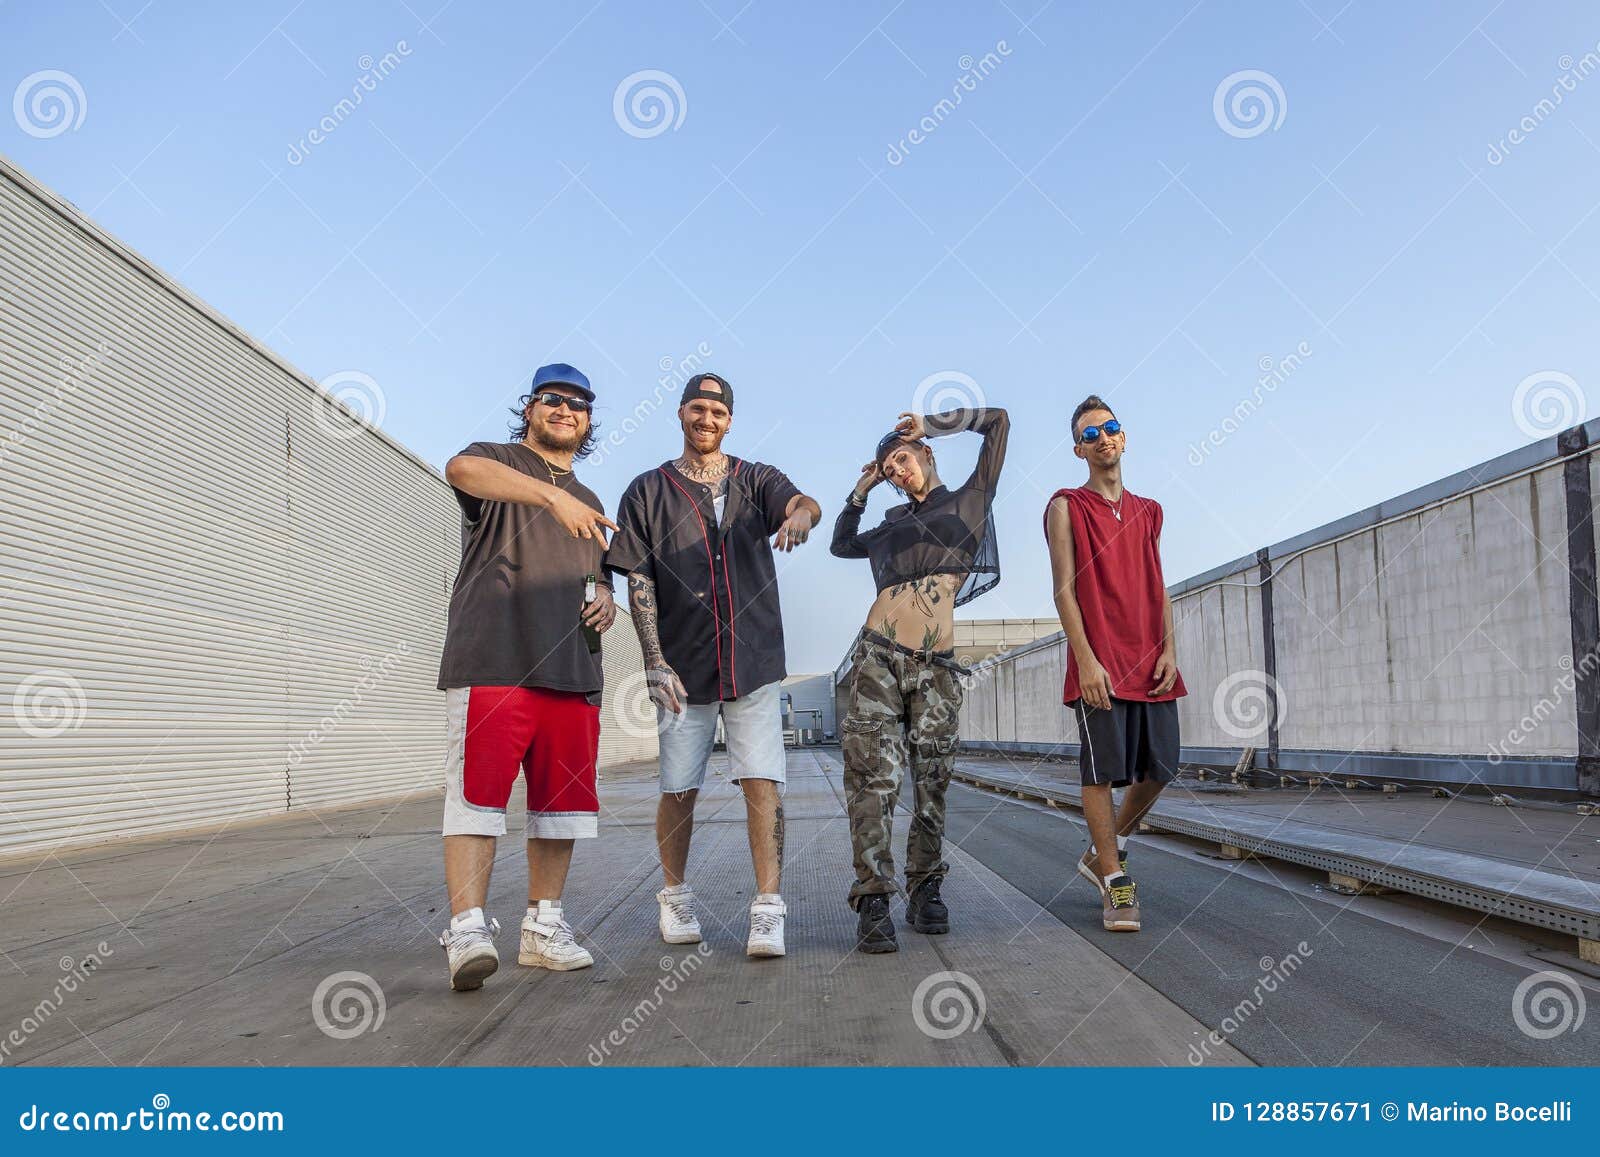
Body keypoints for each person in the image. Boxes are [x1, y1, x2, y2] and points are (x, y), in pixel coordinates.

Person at [604, 372, 822, 959]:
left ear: (730, 421)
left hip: (751, 662)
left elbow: (803, 503)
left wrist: (800, 517)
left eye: (718, 412)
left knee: (763, 783)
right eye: (698, 409)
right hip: (683, 668)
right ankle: (674, 894)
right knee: (679, 788)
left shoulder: (757, 479)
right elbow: (638, 578)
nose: (708, 419)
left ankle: (768, 907)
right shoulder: (647, 491)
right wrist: (653, 661)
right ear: (680, 413)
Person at [435, 362, 619, 991]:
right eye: (553, 399)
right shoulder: (498, 461)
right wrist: (549, 493)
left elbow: (598, 571)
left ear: (589, 420)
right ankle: (466, 930)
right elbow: (459, 470)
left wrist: (607, 599)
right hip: (497, 661)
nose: (566, 410)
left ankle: (542, 929)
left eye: (579, 404)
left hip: (572, 670)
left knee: (561, 813)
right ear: (531, 408)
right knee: (476, 803)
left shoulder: (593, 503)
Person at [831, 402, 1008, 953]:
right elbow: (841, 542)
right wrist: (861, 490)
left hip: (937, 668)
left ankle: (926, 889)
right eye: (889, 470)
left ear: (925, 454)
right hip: (877, 658)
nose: (897, 471)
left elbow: (999, 422)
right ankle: (874, 898)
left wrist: (931, 423)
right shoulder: (888, 524)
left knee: (931, 784)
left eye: (902, 460)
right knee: (873, 782)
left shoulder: (969, 501)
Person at [1043, 395, 1185, 933]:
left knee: (1163, 766)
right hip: (1100, 658)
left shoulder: (1150, 511)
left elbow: (1157, 583)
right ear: (1079, 449)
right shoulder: (1066, 506)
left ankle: (1108, 847)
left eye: (1111, 428)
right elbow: (1063, 591)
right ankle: (1114, 879)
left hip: (1150, 657)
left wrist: (1170, 647)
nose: (1103, 438)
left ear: (1124, 437)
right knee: (1102, 771)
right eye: (1090, 433)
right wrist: (1087, 661)